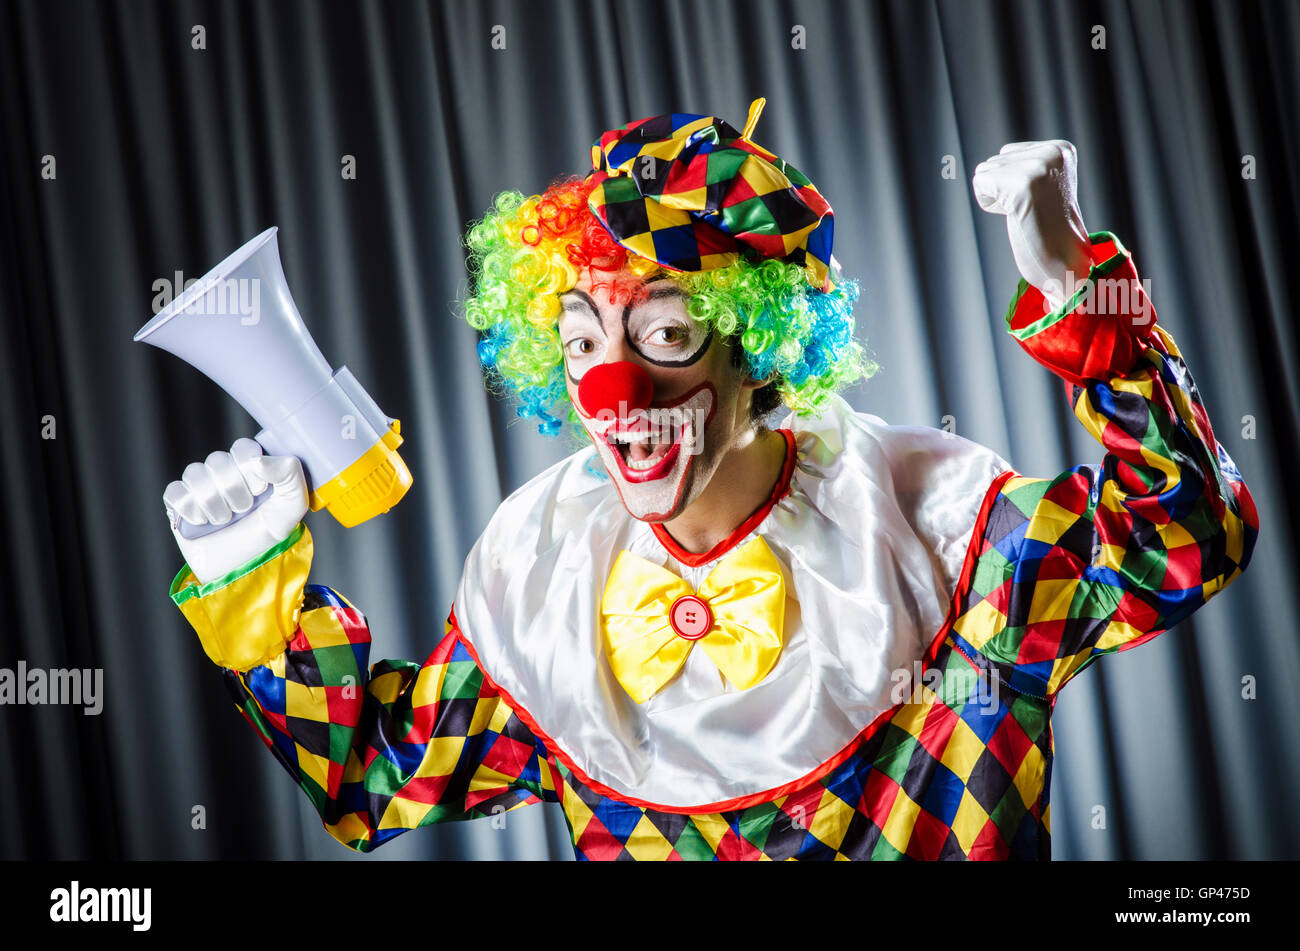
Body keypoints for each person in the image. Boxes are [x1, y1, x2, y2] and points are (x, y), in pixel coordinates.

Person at [162, 101, 1257, 860]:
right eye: (583, 340)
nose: (610, 392)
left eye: (671, 334)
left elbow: (1191, 534)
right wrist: (256, 596)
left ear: (765, 354)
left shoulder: (940, 542)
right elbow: (371, 780)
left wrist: (1087, 300)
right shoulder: (546, 579)